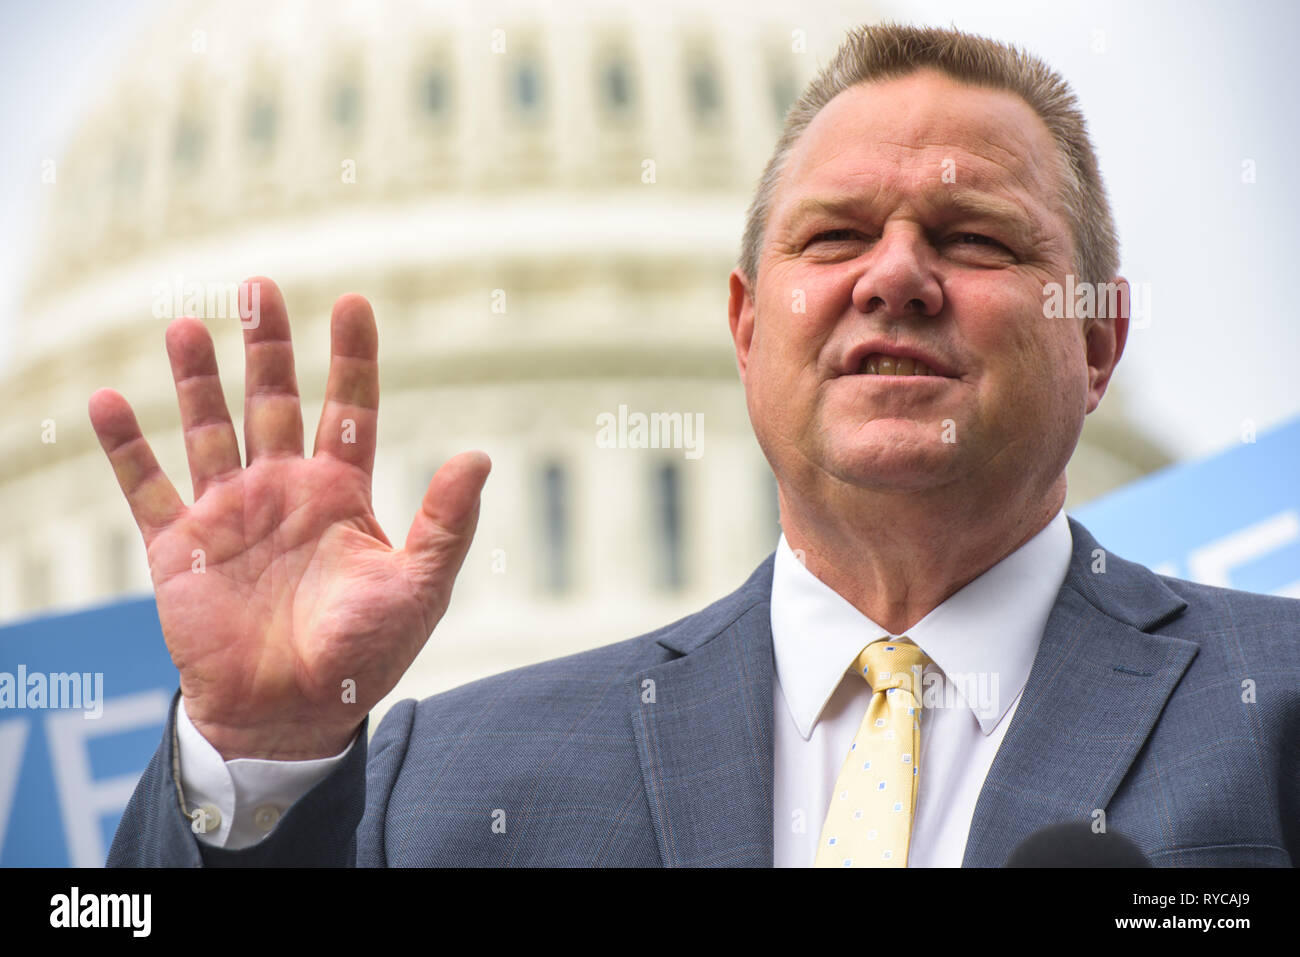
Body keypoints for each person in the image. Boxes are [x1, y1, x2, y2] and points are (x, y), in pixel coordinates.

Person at [97, 23, 1297, 867]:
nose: (893, 277)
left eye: (974, 238)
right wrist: (258, 761)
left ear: (1095, 342)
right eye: (832, 238)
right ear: (744, 328)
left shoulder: (1272, 712)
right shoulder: (443, 788)